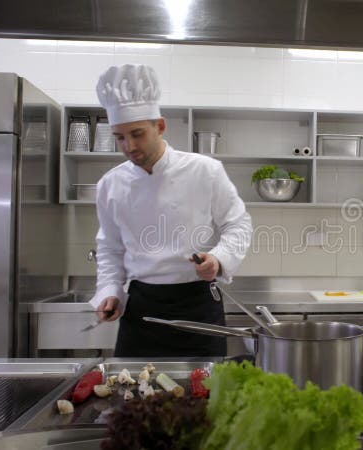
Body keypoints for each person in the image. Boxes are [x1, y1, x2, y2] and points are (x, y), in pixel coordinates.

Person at [88, 64, 252, 357]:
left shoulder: (206, 171)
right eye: (120, 137)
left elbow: (238, 224)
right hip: (141, 310)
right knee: (132, 395)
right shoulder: (110, 185)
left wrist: (218, 259)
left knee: (205, 396)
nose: (129, 146)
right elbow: (110, 249)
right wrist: (110, 291)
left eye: (137, 134)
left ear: (160, 126)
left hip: (197, 306)